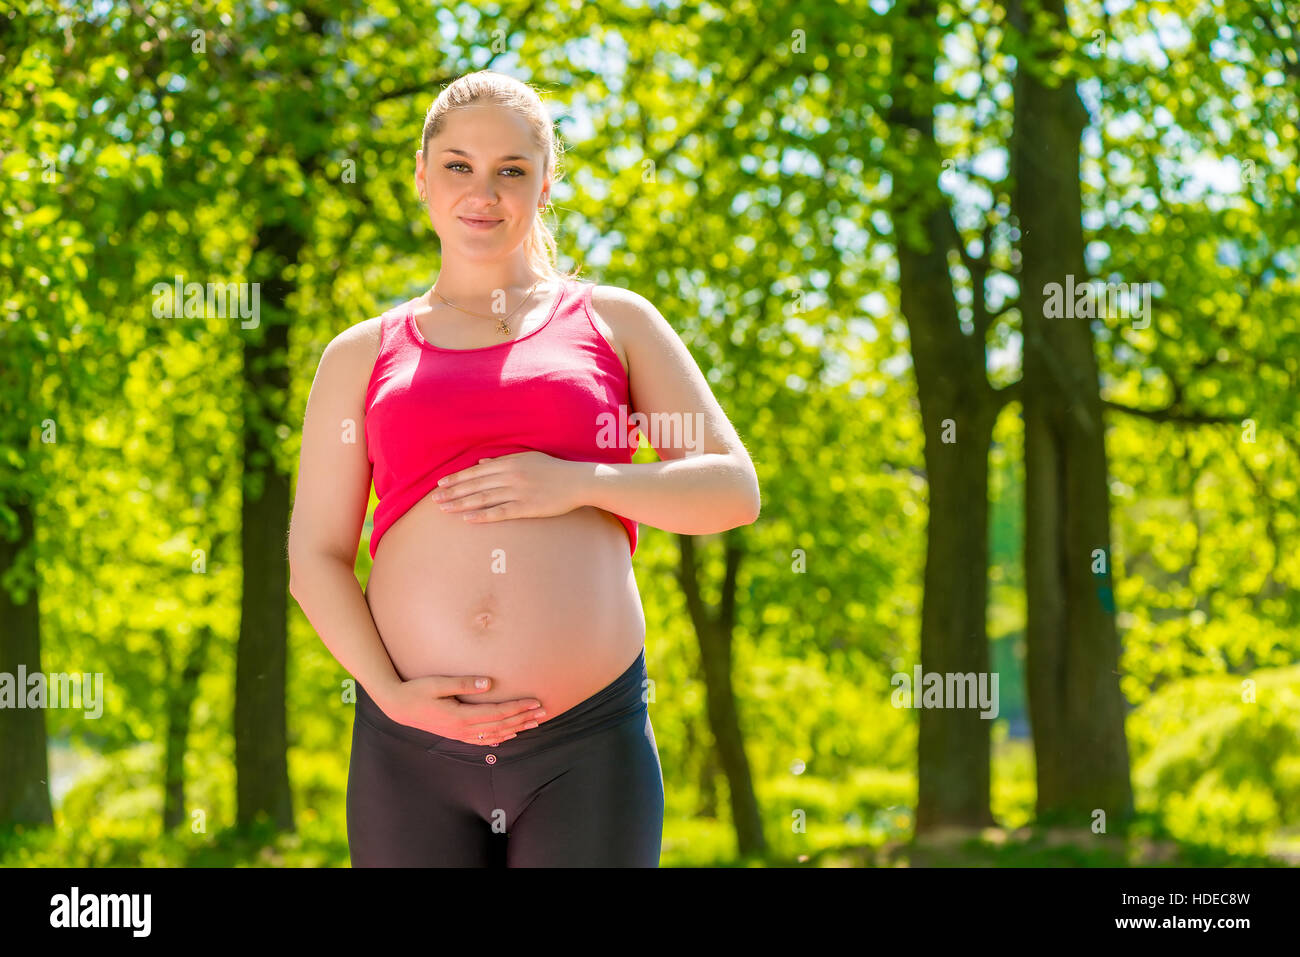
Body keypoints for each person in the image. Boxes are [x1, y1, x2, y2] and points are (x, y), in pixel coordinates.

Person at [287, 70, 760, 867]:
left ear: (546, 184)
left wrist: (577, 481)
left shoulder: (613, 323)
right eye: (459, 165)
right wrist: (391, 693)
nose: (484, 190)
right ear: (423, 176)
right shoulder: (361, 353)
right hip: (411, 747)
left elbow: (730, 489)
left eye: (512, 169)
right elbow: (316, 558)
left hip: (586, 742)